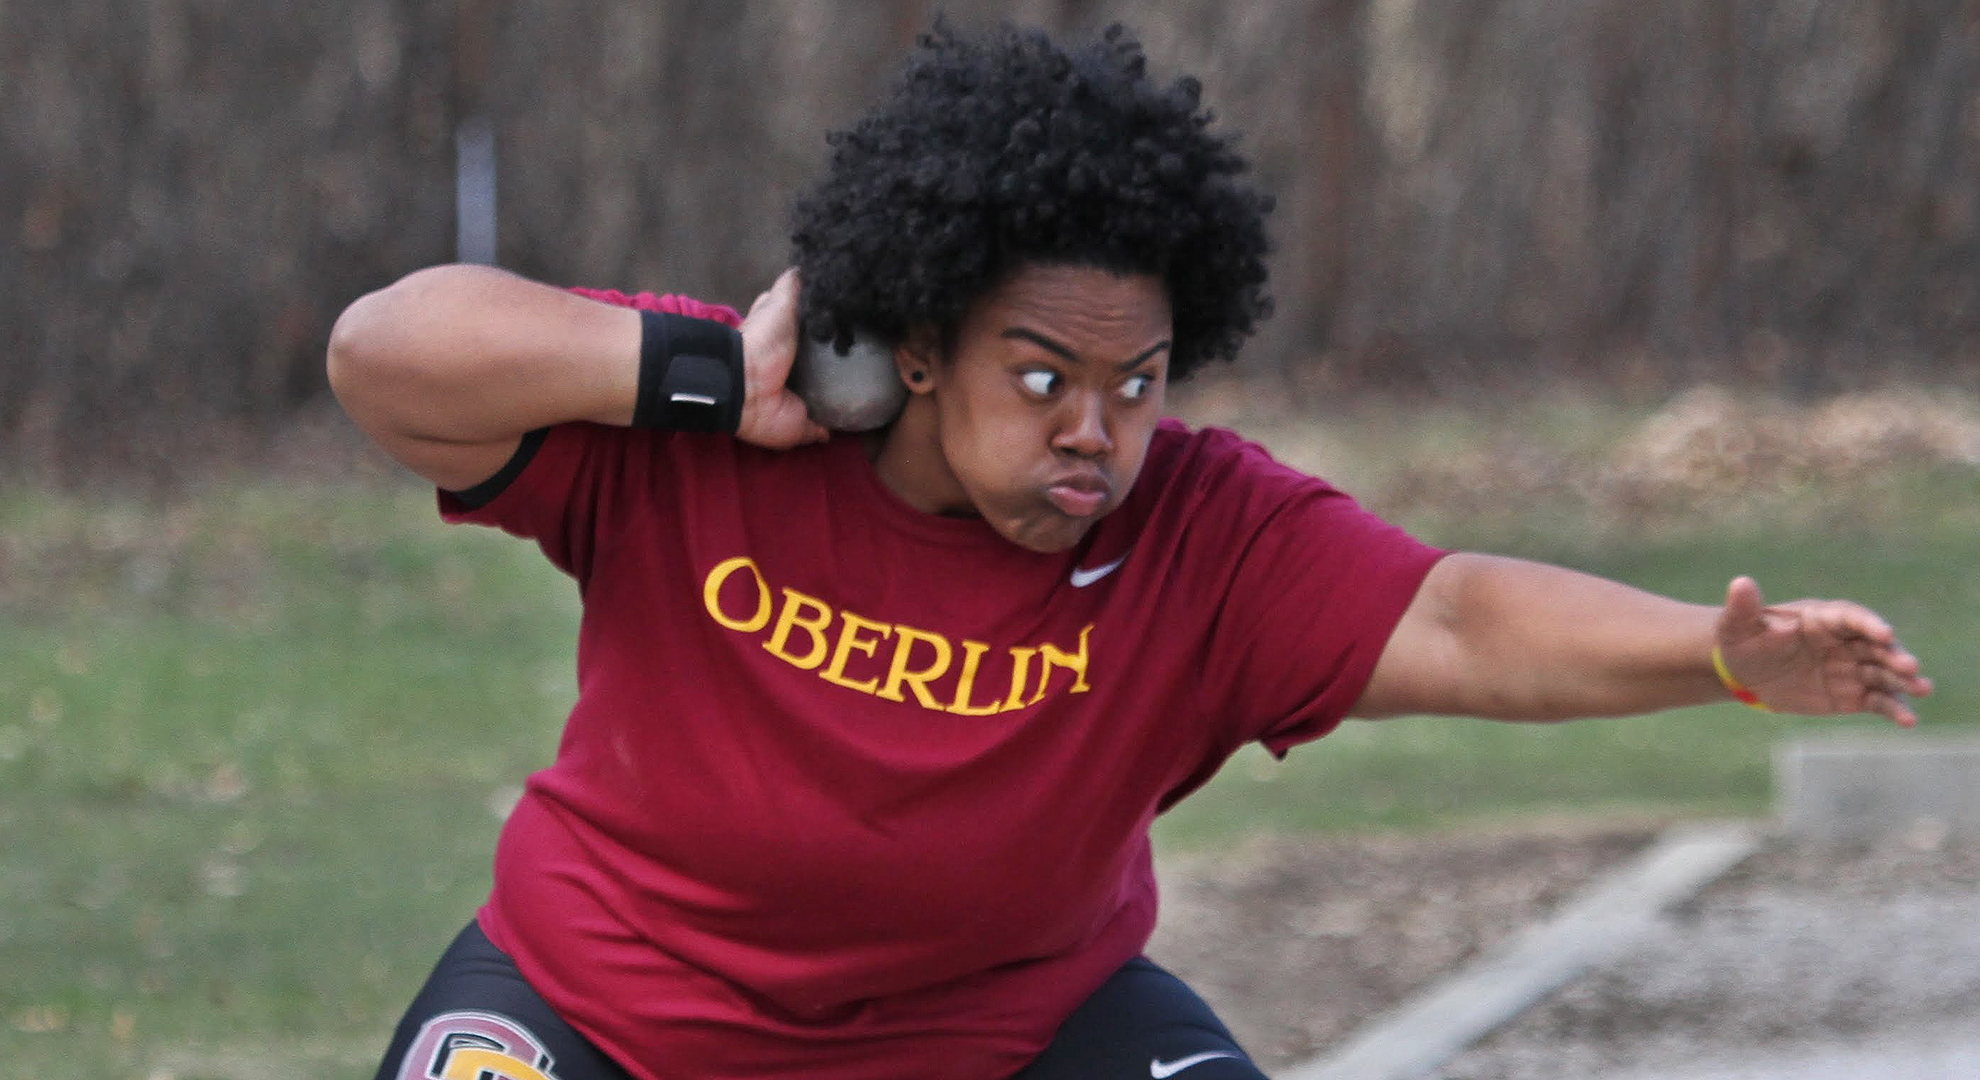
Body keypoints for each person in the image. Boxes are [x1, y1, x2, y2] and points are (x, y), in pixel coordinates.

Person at [326, 22, 1931, 1080]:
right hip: (606, 1012)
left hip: (1006, 1038)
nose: (1097, 428)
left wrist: (1713, 655)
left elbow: (1455, 620)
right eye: (1044, 377)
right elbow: (385, 355)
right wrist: (693, 382)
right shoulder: (721, 424)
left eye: (1136, 382)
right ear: (924, 346)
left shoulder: (1205, 539)